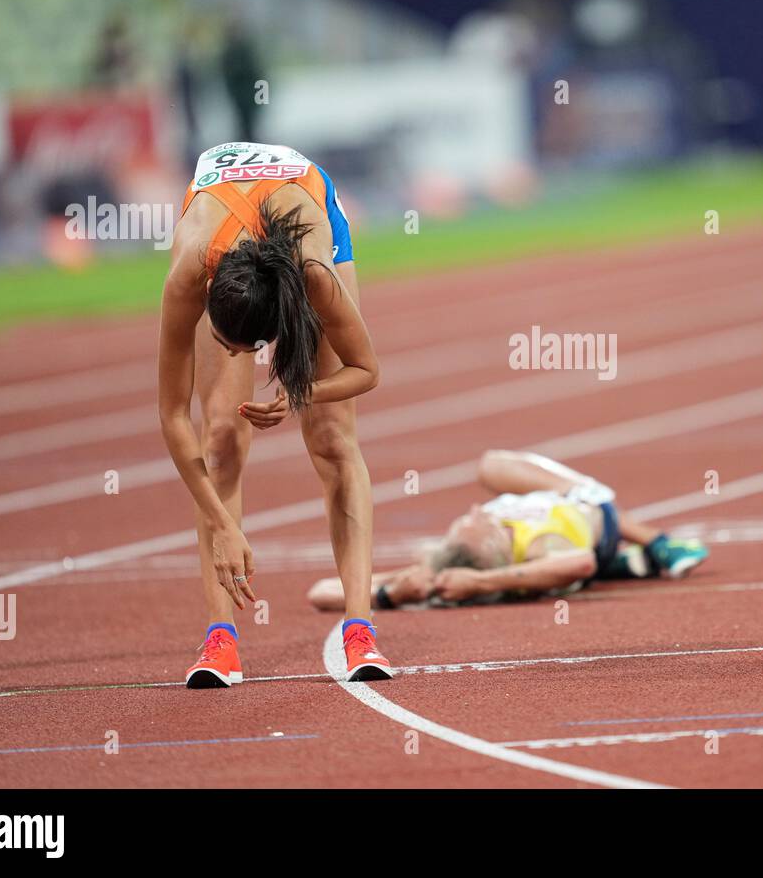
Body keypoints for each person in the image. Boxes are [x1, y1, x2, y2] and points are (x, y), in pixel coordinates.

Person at [158, 141, 391, 687]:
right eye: (225, 344)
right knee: (221, 439)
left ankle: (361, 630)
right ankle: (220, 640)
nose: (239, 358)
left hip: (305, 198)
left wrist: (304, 389)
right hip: (221, 206)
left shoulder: (314, 274)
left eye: (248, 347)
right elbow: (172, 414)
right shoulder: (191, 274)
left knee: (332, 438)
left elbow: (366, 369)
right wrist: (221, 525)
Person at [307, 450, 709, 610]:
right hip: (593, 520)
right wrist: (481, 584)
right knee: (584, 499)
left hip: (555, 523)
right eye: (473, 522)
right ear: (492, 543)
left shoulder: (442, 562)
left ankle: (629, 562)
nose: (475, 509)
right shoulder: (535, 548)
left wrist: (386, 593)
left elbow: (322, 591)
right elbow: (581, 563)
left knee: (489, 466)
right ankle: (656, 543)